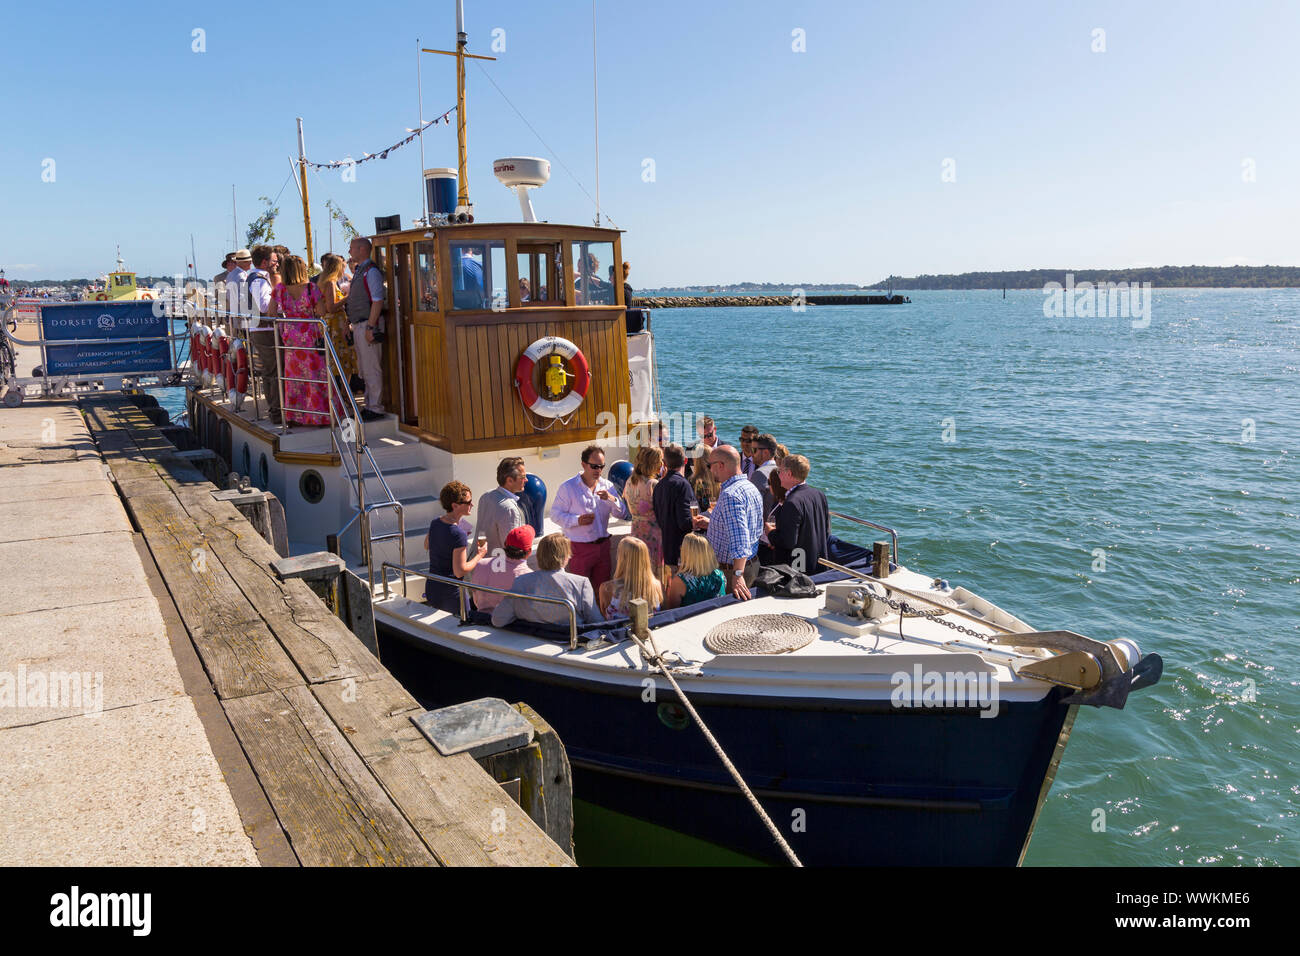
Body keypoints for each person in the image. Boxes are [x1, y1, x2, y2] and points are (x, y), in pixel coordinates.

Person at [551, 445, 629, 593]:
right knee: (580, 591)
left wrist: (611, 499)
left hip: (603, 547)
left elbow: (622, 514)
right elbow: (555, 515)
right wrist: (577, 520)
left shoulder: (607, 486)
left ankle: (601, 615)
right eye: (594, 466)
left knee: (603, 590)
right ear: (583, 465)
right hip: (579, 548)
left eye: (601, 466)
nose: (598, 470)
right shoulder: (568, 487)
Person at [693, 444, 763, 600]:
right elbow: (751, 527)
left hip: (732, 570)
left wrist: (737, 575)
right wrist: (713, 525)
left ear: (720, 465)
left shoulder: (730, 496)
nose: (710, 470)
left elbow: (740, 538)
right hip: (751, 564)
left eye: (710, 465)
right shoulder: (750, 487)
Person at [491, 532, 600, 628]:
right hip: (569, 643)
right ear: (565, 556)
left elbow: (498, 620)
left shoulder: (521, 582)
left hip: (531, 641)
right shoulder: (581, 583)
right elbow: (596, 622)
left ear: (539, 555)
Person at [269, 255, 329, 426]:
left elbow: (271, 313)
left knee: (294, 377)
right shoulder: (311, 288)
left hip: (291, 337)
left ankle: (296, 416)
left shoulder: (280, 289)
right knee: (315, 374)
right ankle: (318, 415)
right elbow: (322, 311)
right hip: (310, 334)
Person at [424, 480, 488, 613]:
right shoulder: (459, 534)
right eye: (468, 502)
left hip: (432, 588)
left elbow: (427, 545)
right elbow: (460, 571)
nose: (472, 504)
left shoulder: (435, 523)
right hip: (452, 594)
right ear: (455, 505)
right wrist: (480, 555)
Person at [768, 454, 830, 574]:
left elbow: (788, 542)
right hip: (818, 563)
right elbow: (826, 531)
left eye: (780, 471)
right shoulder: (819, 494)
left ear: (789, 474)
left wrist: (770, 533)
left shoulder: (792, 502)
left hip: (798, 570)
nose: (779, 475)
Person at [345, 236, 386, 421]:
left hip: (367, 325)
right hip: (360, 325)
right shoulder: (362, 270)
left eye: (352, 248)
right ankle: (370, 404)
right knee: (365, 367)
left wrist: (370, 326)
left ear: (362, 249)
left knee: (371, 368)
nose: (349, 252)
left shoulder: (371, 272)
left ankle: (375, 407)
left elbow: (377, 300)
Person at [242, 247, 281, 423]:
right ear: (264, 263)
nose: (277, 264)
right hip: (265, 331)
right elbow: (265, 307)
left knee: (270, 371)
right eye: (274, 261)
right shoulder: (259, 280)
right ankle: (277, 412)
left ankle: (276, 410)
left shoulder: (255, 278)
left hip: (261, 329)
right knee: (272, 371)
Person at [652, 442, 697, 581]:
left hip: (667, 548)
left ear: (664, 463)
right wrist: (698, 521)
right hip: (683, 552)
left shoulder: (659, 485)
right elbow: (685, 522)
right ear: (685, 460)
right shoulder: (683, 485)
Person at [316, 253, 359, 384]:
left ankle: (341, 394)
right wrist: (347, 297)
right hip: (335, 325)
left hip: (335, 324)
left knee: (339, 360)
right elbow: (331, 307)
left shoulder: (325, 281)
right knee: (341, 360)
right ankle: (342, 394)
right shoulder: (330, 283)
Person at [470, 524, 534, 612]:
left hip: (482, 619)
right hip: (511, 624)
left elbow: (475, 601)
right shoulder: (529, 577)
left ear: (505, 545)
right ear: (529, 551)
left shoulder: (481, 564)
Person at [622, 444, 664, 579]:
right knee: (654, 575)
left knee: (638, 573)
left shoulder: (629, 481)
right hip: (653, 536)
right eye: (660, 461)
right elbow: (662, 512)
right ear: (653, 464)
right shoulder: (653, 484)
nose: (662, 464)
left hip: (636, 532)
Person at [475, 456, 528, 559]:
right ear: (509, 480)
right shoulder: (509, 509)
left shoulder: (485, 496)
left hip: (482, 563)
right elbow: (512, 550)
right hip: (500, 568)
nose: (526, 480)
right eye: (522, 477)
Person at [598, 536, 663, 618]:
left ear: (621, 558)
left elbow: (605, 617)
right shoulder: (657, 586)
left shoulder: (607, 588)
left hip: (620, 630)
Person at [663, 533, 725, 610]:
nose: (680, 548)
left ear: (687, 553)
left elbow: (672, 611)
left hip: (691, 620)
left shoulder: (680, 581)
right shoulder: (720, 575)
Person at [756, 467, 788, 566]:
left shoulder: (784, 505)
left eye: (769, 482)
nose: (768, 485)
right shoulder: (777, 502)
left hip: (771, 548)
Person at [749, 432, 779, 515]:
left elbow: (753, 507)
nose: (751, 454)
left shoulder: (759, 474)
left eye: (754, 450)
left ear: (765, 452)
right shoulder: (779, 470)